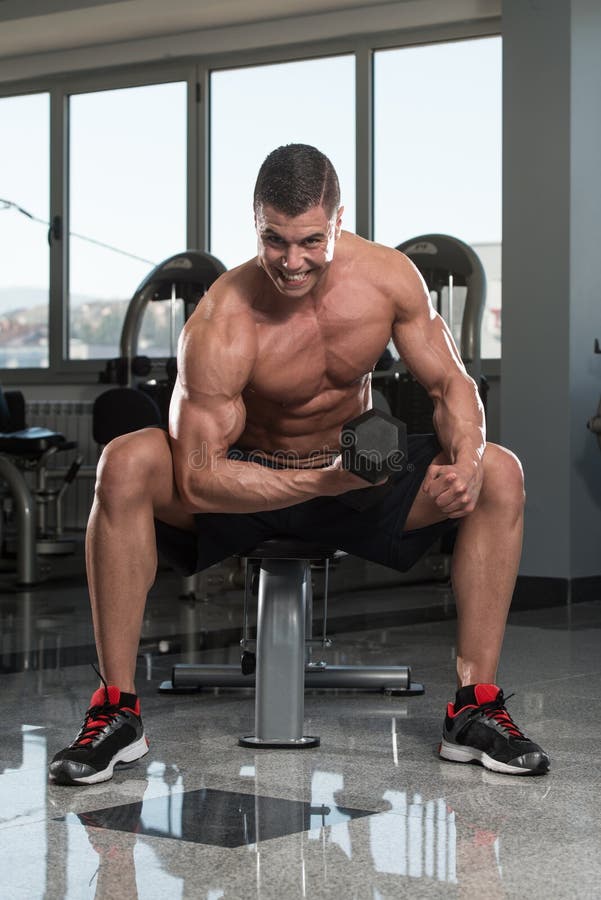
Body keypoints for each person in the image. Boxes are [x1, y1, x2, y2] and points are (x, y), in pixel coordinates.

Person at [49, 144, 549, 785]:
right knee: (123, 461)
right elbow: (200, 476)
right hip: (244, 482)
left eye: (310, 240)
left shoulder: (389, 278)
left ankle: (474, 707)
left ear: (341, 219)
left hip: (356, 474)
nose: (291, 261)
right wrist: (322, 478)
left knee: (503, 472)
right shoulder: (223, 319)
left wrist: (471, 456)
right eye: (273, 240)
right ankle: (115, 713)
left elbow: (452, 386)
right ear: (254, 221)